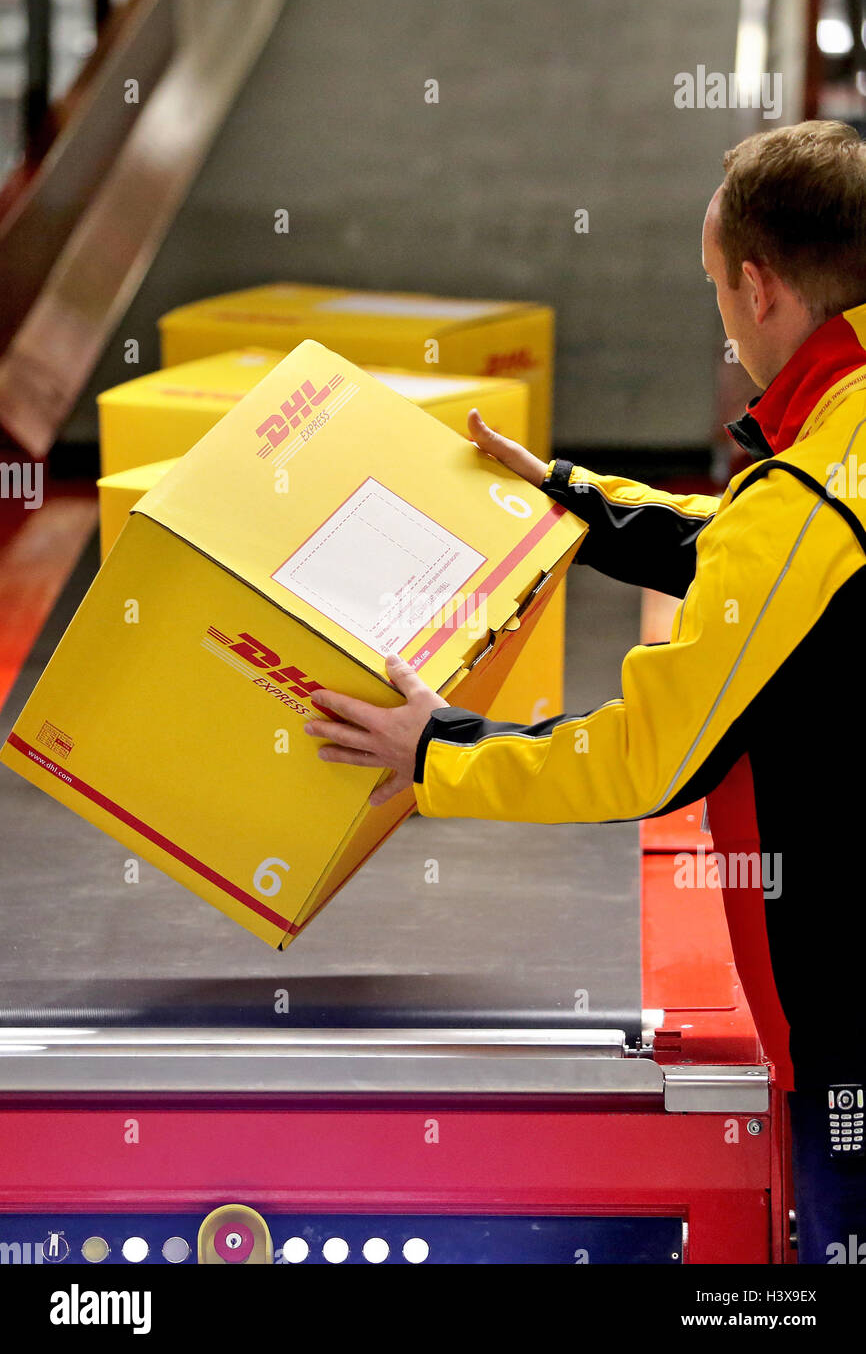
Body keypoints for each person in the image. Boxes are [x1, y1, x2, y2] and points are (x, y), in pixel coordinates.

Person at [304, 120, 866, 1264]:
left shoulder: (803, 498)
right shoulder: (838, 438)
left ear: (757, 287)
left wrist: (434, 754)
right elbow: (766, 561)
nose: (717, 310)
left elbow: (643, 758)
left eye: (712, 283)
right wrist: (572, 499)